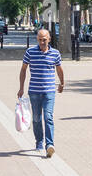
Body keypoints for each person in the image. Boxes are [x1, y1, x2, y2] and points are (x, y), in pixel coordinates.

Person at [19, 27, 64, 157]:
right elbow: (23, 70)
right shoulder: (30, 52)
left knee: (48, 117)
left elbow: (59, 69)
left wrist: (62, 83)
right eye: (39, 40)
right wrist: (21, 87)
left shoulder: (55, 53)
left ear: (49, 39)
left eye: (44, 40)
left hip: (49, 92)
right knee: (37, 118)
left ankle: (50, 145)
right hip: (34, 91)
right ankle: (39, 141)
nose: (42, 42)